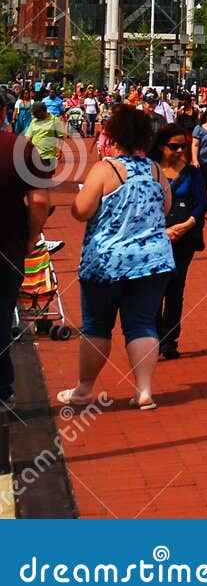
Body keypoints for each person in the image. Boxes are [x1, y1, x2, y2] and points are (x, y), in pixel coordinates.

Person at [57, 104, 173, 411]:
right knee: (142, 324)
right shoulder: (156, 169)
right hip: (152, 260)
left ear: (115, 136)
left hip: (107, 261)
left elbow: (81, 211)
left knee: (97, 325)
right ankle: (144, 390)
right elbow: (166, 208)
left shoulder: (105, 169)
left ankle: (84, 389)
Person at [0, 125, 50, 406]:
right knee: (2, 316)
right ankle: (1, 390)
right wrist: (32, 238)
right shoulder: (21, 148)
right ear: (5, 113)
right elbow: (40, 201)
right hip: (8, 248)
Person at [153, 123, 207, 360]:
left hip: (183, 238)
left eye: (182, 146)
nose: (178, 151)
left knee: (176, 289)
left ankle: (169, 340)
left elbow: (202, 203)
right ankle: (151, 339)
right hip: (154, 237)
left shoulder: (193, 172)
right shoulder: (150, 171)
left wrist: (186, 225)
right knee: (154, 289)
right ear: (160, 147)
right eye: (173, 146)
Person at [24, 99, 67, 170]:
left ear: (41, 112)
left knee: (46, 177)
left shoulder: (54, 120)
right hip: (35, 155)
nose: (33, 115)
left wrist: (59, 151)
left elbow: (60, 137)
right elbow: (28, 137)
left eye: (34, 113)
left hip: (48, 155)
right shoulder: (34, 121)